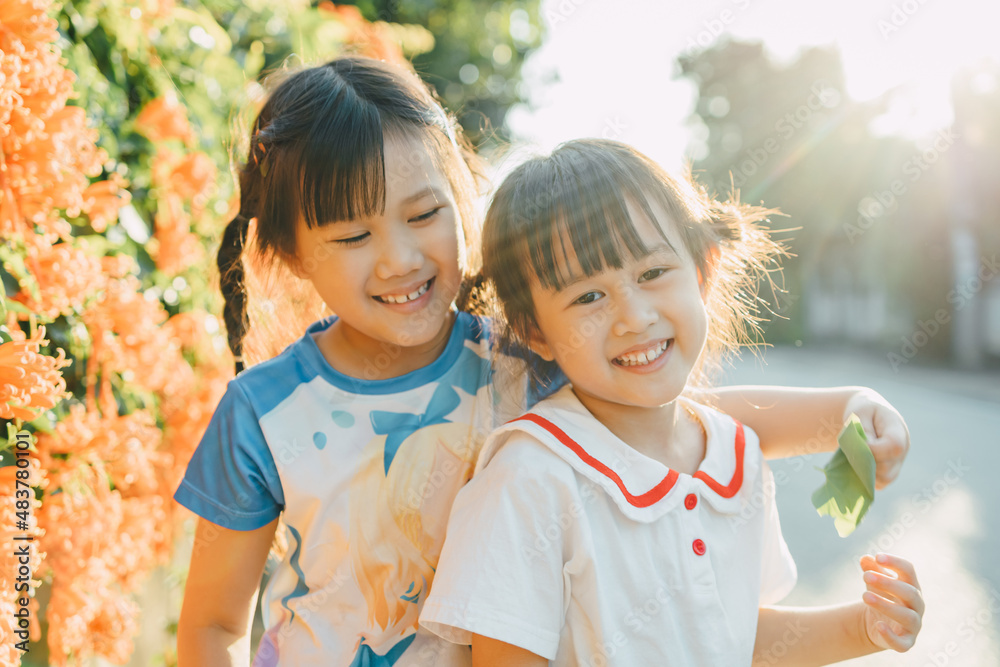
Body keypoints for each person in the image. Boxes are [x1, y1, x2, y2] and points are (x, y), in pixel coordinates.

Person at [173, 58, 913, 666]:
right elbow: (212, 625)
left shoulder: (525, 358)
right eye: (352, 234)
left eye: (425, 214)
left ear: (462, 199)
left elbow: (685, 422)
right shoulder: (260, 414)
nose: (400, 258)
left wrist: (847, 410)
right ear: (290, 252)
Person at [419, 139, 924, 666]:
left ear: (703, 270)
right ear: (535, 332)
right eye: (588, 297)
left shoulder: (735, 456)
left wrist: (864, 627)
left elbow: (728, 638)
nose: (634, 317)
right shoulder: (529, 481)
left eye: (652, 273)